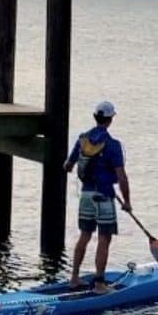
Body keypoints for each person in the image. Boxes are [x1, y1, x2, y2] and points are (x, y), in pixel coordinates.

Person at [64, 100, 131, 293]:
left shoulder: (82, 139)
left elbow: (67, 166)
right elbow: (121, 176)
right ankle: (100, 284)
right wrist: (127, 202)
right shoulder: (113, 145)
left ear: (96, 117)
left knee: (85, 235)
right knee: (104, 237)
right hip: (104, 196)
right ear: (110, 120)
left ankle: (74, 278)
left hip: (85, 194)